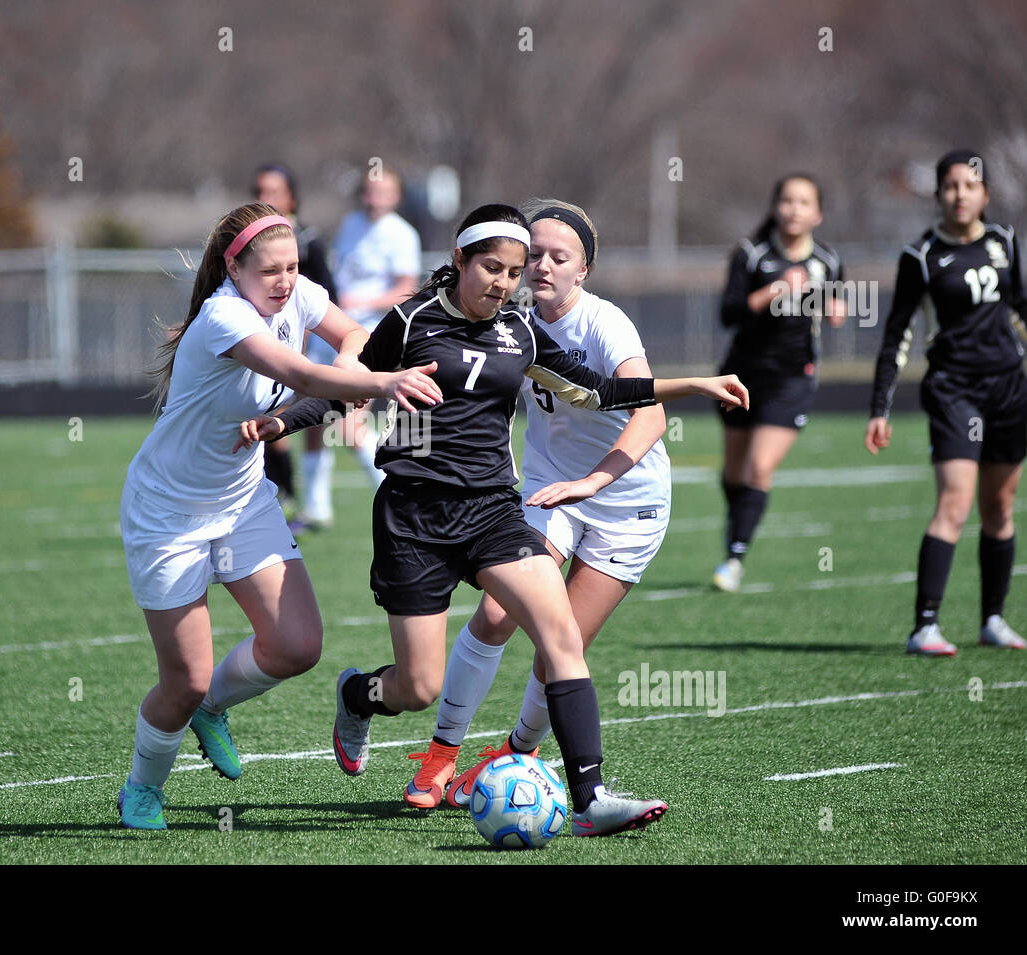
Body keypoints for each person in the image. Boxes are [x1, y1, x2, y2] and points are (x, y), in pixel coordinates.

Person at [237, 204, 747, 835]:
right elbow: (345, 383)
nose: (504, 282)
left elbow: (597, 391)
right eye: (492, 268)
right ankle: (359, 696)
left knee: (559, 633)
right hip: (414, 516)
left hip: (493, 512)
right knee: (417, 687)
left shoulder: (522, 333)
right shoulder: (411, 319)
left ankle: (588, 796)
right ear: (459, 261)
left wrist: (693, 383)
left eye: (513, 271)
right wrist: (282, 421)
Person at [116, 202, 441, 829]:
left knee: (297, 645)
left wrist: (348, 371)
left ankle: (213, 708)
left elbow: (354, 337)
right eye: (270, 271)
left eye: (292, 267)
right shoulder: (223, 317)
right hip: (168, 515)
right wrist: (375, 385)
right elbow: (296, 370)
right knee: (181, 680)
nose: (286, 281)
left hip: (242, 502)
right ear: (234, 268)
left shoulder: (298, 291)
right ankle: (142, 788)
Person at [399, 198, 674, 833]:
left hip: (626, 500)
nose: (543, 266)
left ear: (585, 268)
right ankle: (441, 755)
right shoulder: (509, 317)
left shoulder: (607, 325)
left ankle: (518, 753)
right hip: (550, 491)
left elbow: (651, 410)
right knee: (497, 613)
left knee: (561, 648)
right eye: (535, 256)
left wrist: (593, 481)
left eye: (560, 256)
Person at [866, 149, 1027, 657]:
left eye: (970, 185)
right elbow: (896, 335)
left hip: (1009, 388)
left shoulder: (1005, 242)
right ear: (938, 195)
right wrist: (880, 407)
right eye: (951, 186)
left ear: (985, 194)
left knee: (1000, 506)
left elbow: (1021, 305)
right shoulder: (921, 257)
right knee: (955, 504)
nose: (960, 194)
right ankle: (924, 626)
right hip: (955, 390)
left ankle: (993, 620)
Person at [713, 174, 846, 593]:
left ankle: (734, 559)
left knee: (759, 467)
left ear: (817, 213)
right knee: (734, 473)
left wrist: (835, 307)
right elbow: (729, 313)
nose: (794, 209)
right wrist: (772, 291)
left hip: (793, 377)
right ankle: (737, 532)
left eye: (804, 202)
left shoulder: (828, 259)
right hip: (741, 375)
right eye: (787, 200)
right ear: (775, 207)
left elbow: (837, 311)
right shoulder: (751, 254)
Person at [297, 167, 423, 531]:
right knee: (312, 412)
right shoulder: (351, 222)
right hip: (334, 328)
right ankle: (316, 506)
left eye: (382, 192)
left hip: (367, 333)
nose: (373, 199)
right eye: (369, 191)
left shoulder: (401, 234)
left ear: (395, 196)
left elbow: (406, 288)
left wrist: (361, 300)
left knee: (349, 422)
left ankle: (393, 492)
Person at [252, 163, 338, 521]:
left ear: (291, 196)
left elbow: (328, 296)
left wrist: (303, 337)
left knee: (315, 422)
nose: (266, 198)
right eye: (260, 191)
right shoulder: (247, 244)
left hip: (307, 348)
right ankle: (287, 498)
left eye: (274, 191)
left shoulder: (308, 240)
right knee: (269, 418)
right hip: (263, 346)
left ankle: (299, 499)